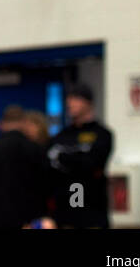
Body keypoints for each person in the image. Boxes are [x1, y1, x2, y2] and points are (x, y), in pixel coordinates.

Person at [47, 83, 114, 228]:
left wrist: (64, 157)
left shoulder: (102, 134)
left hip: (92, 211)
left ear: (88, 102)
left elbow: (91, 164)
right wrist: (78, 155)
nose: (70, 103)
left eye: (75, 99)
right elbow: (49, 164)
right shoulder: (61, 136)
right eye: (69, 99)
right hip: (64, 212)